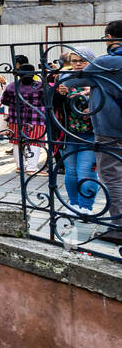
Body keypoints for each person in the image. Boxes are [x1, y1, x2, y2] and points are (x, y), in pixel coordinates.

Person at [56, 22, 122, 244]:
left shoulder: (106, 62)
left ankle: (119, 227)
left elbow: (73, 80)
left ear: (110, 37)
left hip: (110, 129)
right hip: (81, 132)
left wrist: (76, 77)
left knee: (111, 176)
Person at [52, 49, 99, 241]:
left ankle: (85, 209)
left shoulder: (99, 77)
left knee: (85, 170)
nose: (78, 64)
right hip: (69, 133)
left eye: (83, 60)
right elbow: (53, 104)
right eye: (74, 60)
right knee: (70, 171)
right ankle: (74, 206)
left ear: (92, 61)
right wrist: (59, 92)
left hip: (92, 134)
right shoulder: (65, 78)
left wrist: (94, 102)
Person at [1, 62, 48, 171]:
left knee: (18, 142)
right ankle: (32, 167)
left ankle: (20, 166)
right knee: (34, 142)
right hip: (36, 118)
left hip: (16, 118)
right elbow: (46, 101)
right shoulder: (40, 85)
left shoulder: (12, 86)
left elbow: (4, 100)